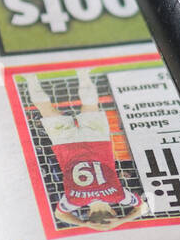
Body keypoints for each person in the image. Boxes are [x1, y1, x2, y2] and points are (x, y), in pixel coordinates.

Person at [22, 71, 141, 230]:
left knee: (90, 106)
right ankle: (30, 77)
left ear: (113, 210)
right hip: (66, 146)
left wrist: (121, 221)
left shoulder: (119, 195)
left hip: (97, 143)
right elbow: (59, 214)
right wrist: (83, 224)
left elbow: (142, 208)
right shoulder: (72, 201)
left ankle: (82, 72)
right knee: (46, 109)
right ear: (87, 214)